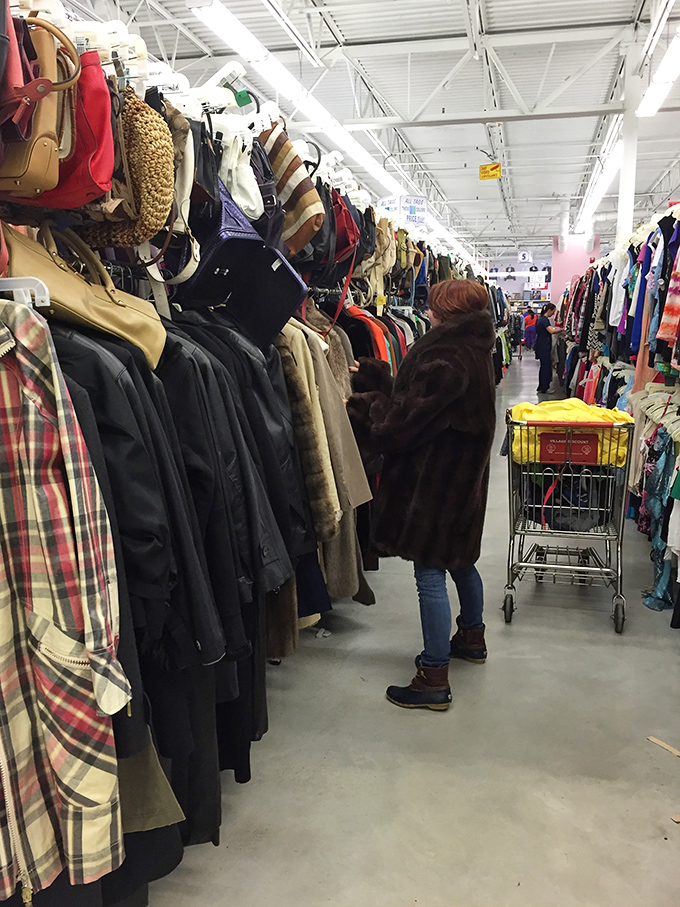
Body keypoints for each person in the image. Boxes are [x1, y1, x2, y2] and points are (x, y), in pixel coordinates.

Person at [347, 280, 496, 711]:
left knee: (430, 572)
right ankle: (471, 636)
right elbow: (422, 404)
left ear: (445, 311)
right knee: (461, 560)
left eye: (433, 306)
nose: (427, 312)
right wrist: (378, 376)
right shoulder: (472, 349)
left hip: (434, 481)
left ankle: (433, 675)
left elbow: (399, 424)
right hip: (460, 478)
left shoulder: (446, 356)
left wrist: (362, 404)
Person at [535, 302, 562, 394]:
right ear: (549, 311)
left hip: (542, 345)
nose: (553, 314)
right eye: (553, 312)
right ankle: (544, 387)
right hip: (543, 346)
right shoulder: (544, 320)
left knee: (544, 366)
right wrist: (560, 329)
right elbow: (551, 331)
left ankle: (542, 386)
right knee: (546, 366)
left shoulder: (541, 319)